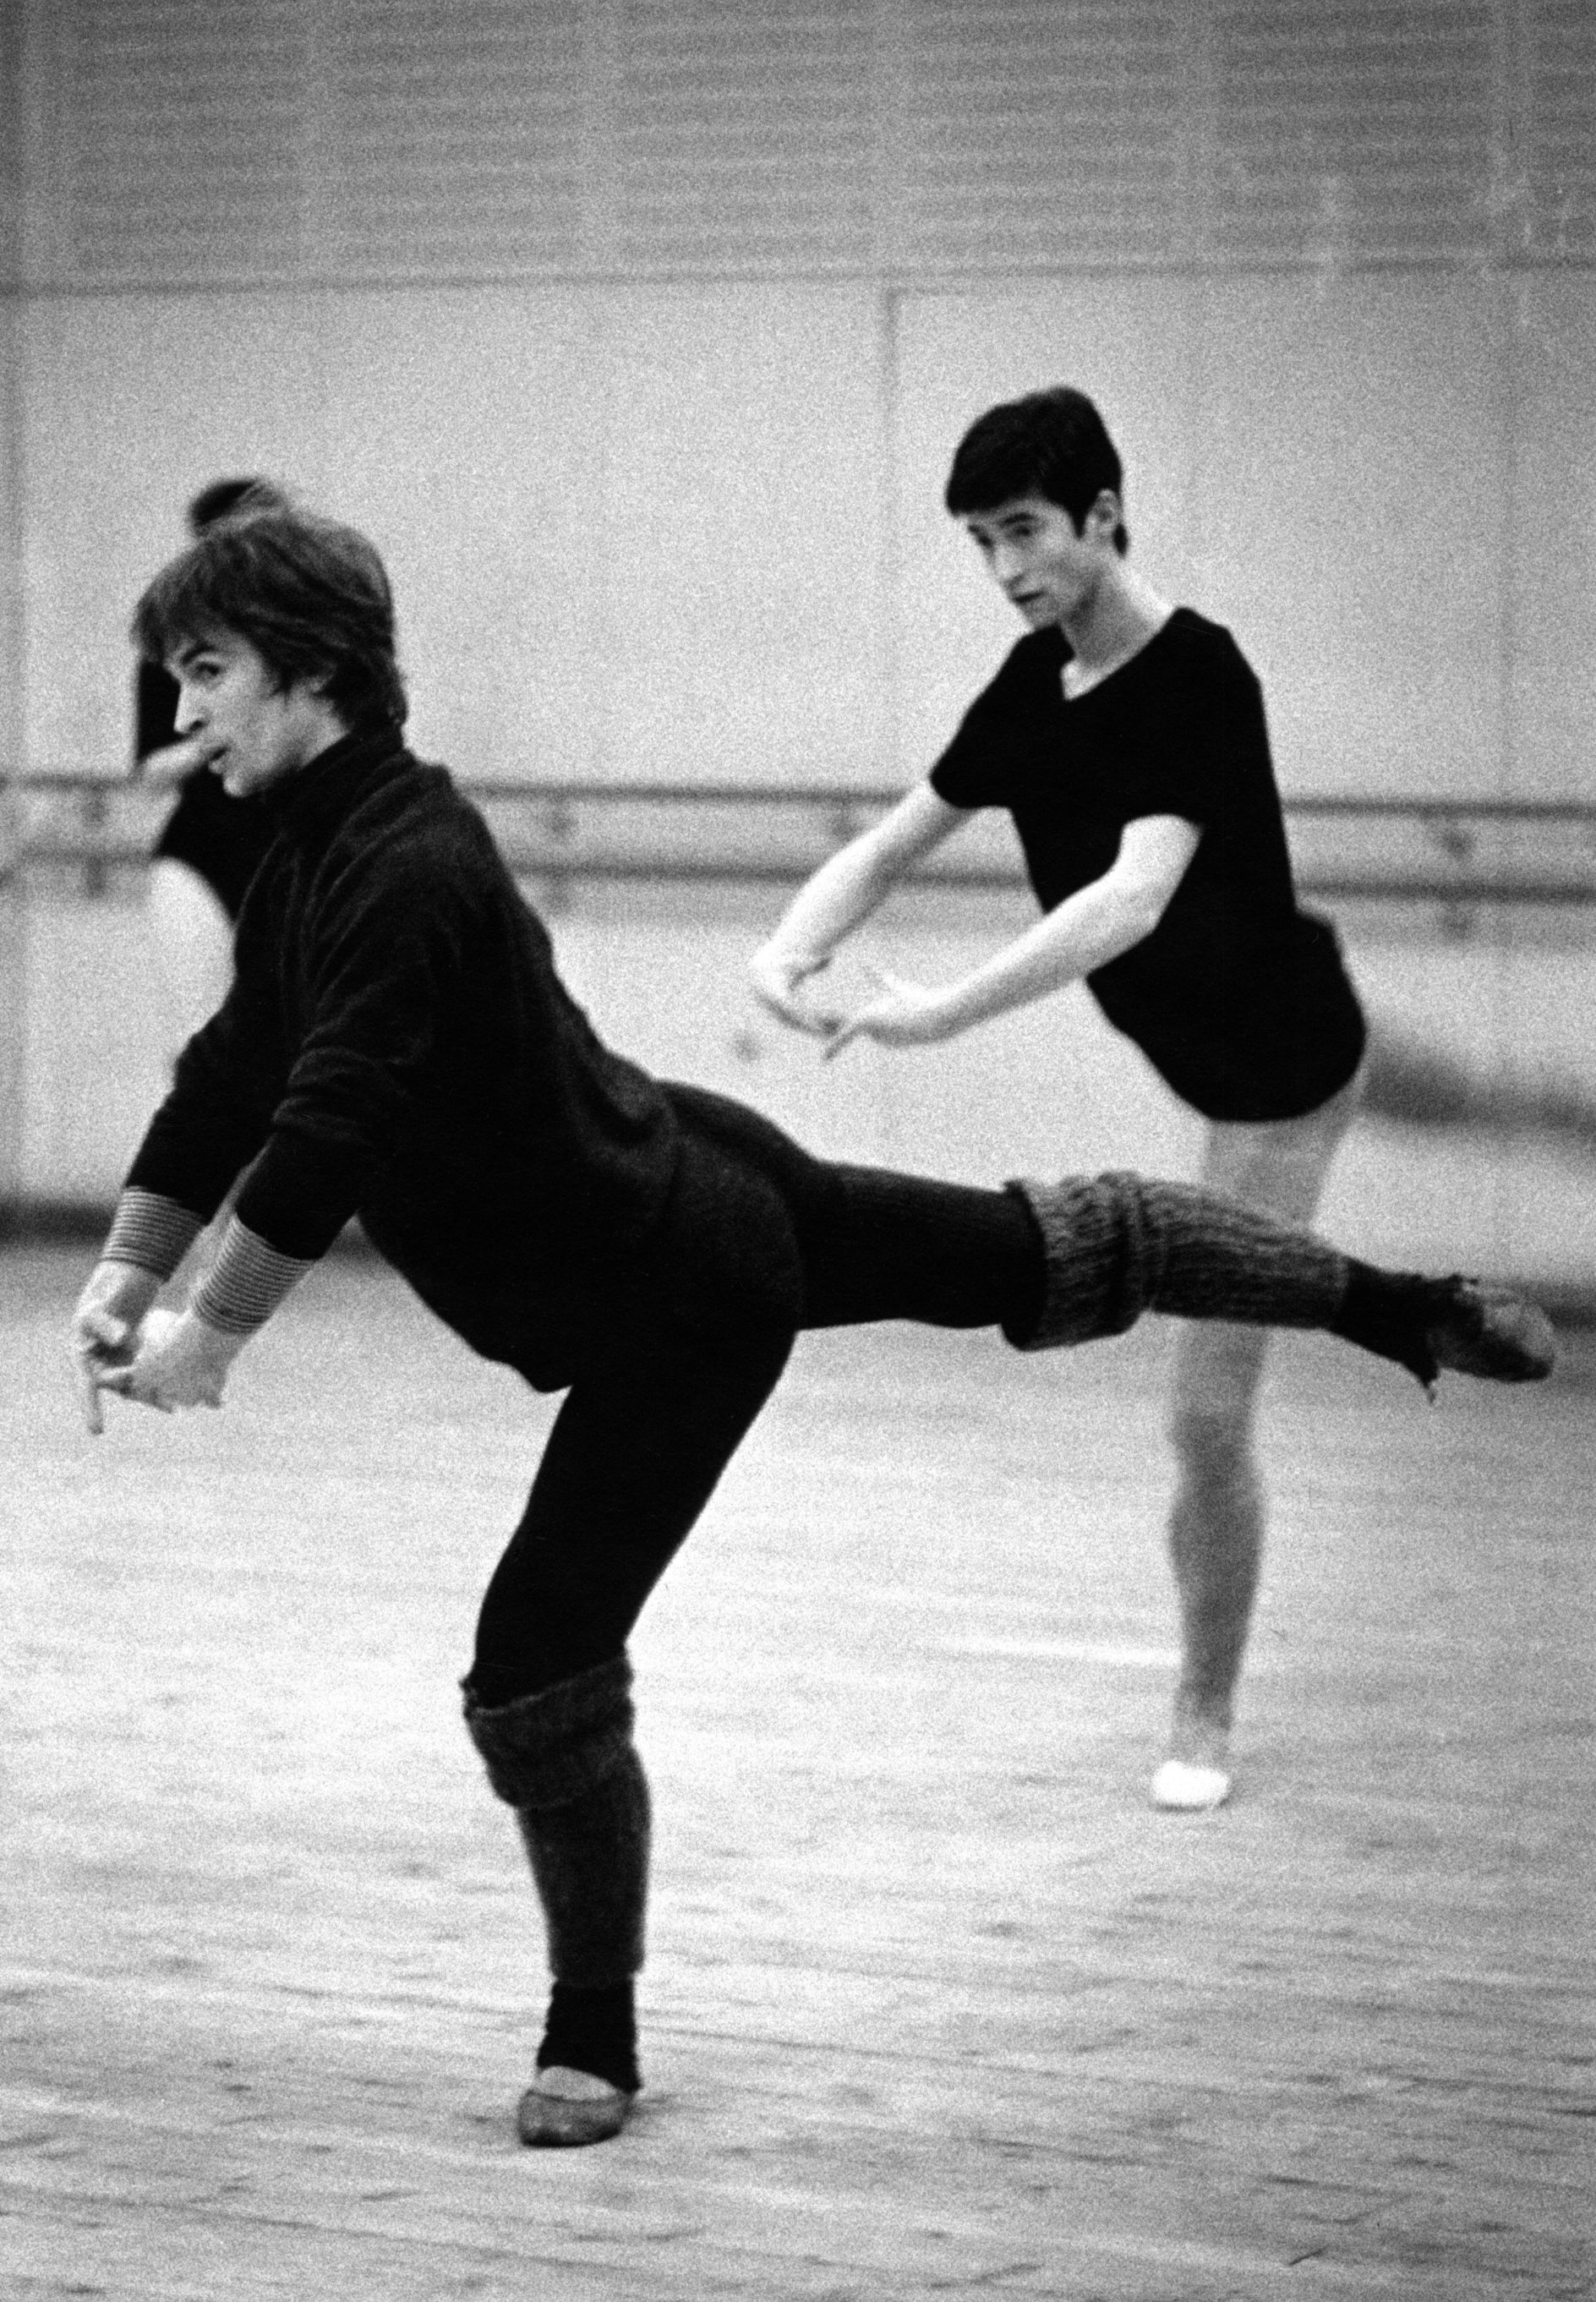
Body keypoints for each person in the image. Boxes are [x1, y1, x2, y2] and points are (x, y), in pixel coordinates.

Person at [69, 506, 1551, 2150]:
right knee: (1046, 1246)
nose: (182, 712)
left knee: (532, 1667)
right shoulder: (319, 853)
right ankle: (1396, 1306)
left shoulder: (402, 863)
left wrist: (216, 1327)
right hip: (699, 1169)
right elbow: (234, 1074)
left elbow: (338, 1109)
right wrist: (132, 1269)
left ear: (310, 670)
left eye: (204, 669)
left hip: (676, 1291)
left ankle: (593, 2043)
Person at [752, 385, 1374, 1818]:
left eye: (1023, 531)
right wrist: (789, 941)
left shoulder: (1200, 675)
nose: (1006, 568)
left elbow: (1129, 900)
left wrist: (937, 1010)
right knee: (1452, 1090)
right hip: (1236, 1030)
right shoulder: (1032, 686)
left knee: (1204, 1420)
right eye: (979, 542)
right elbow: (898, 837)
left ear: (1102, 512)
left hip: (1270, 1082)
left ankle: (1202, 1710)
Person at [135, 479, 288, 1037]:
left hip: (282, 854)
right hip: (200, 855)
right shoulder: (169, 646)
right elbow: (151, 772)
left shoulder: (297, 645)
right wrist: (217, 730)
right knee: (200, 1047)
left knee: (288, 1046)